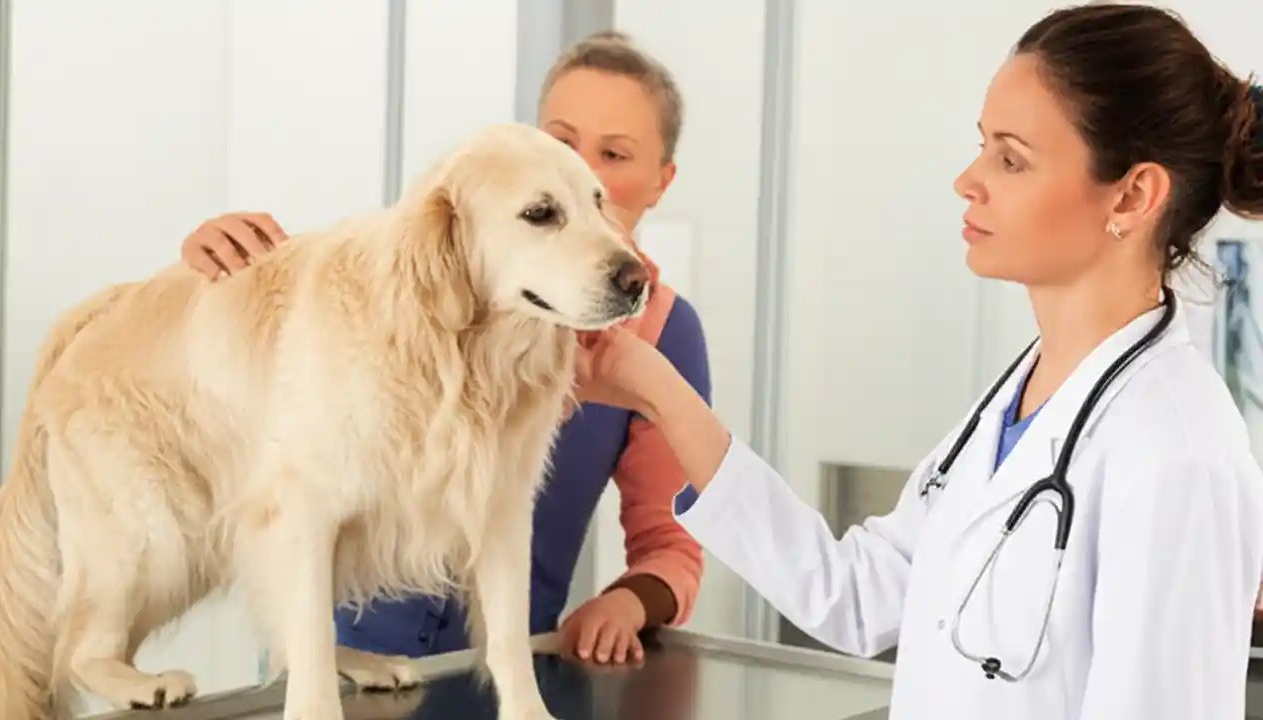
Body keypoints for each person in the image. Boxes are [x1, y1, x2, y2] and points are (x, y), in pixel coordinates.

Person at [574, 4, 1263, 718]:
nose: (969, 179)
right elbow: (855, 596)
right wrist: (653, 387)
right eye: (983, 146)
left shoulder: (1178, 452)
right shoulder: (1016, 399)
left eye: (1011, 157)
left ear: (1132, 194)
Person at [178, 32, 710, 665]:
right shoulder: (408, 280)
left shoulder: (665, 333)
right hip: (342, 666)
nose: (581, 171)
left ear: (661, 180)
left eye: (615, 154)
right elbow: (277, 351)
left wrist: (628, 601)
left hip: (500, 678)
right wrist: (214, 271)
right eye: (560, 142)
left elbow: (671, 544)